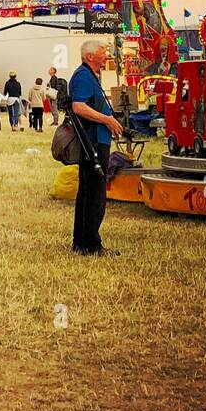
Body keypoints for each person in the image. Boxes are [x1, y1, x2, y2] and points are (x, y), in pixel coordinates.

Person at [68, 39, 125, 256]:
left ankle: (81, 242)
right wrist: (107, 120)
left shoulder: (89, 75)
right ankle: (92, 245)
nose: (106, 56)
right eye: (103, 53)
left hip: (95, 140)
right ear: (90, 56)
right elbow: (78, 106)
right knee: (95, 194)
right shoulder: (83, 76)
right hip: (92, 143)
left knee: (87, 192)